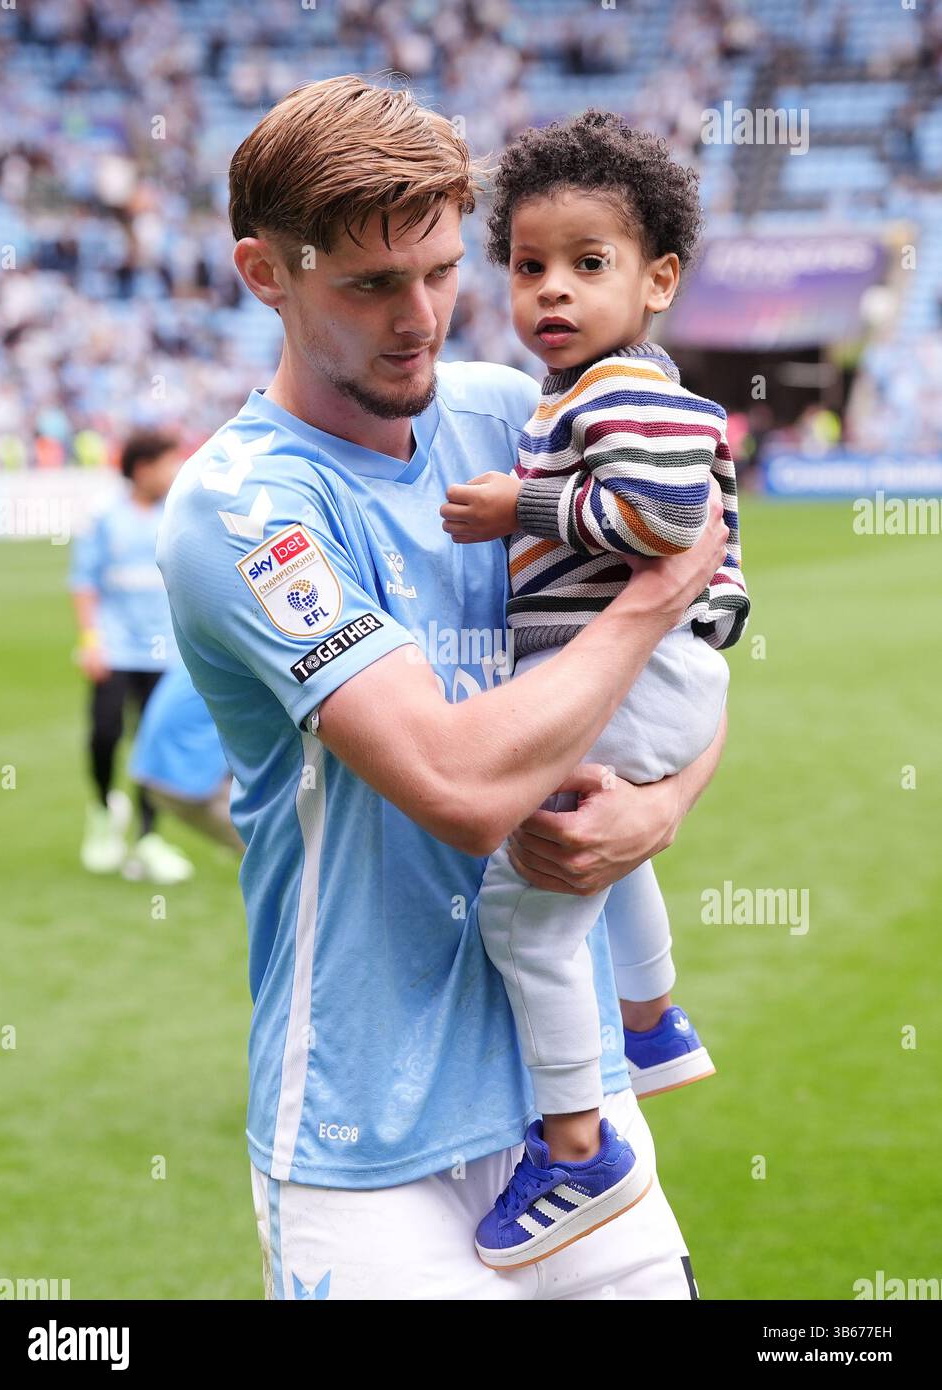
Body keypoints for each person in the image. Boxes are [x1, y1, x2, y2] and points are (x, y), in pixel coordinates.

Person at [156, 76, 729, 1300]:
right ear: (266, 273)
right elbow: (461, 787)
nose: (420, 318)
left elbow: (699, 624)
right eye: (369, 285)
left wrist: (664, 803)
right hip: (367, 1144)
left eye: (437, 270)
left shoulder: (507, 413)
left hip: (569, 1117)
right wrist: (650, 595)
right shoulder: (246, 509)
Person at [437, 111, 750, 1268]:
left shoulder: (622, 389)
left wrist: (507, 507)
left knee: (526, 910)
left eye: (587, 264)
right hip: (658, 674)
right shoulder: (600, 385)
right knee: (616, 839)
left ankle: (578, 1148)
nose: (550, 292)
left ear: (658, 279)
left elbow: (665, 522)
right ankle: (651, 1017)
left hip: (641, 667)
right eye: (527, 267)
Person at [69, 429, 195, 885]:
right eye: (167, 462)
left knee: (152, 743)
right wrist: (90, 641)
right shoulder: (105, 515)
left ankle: (146, 838)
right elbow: (84, 582)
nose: (175, 471)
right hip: (116, 647)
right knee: (105, 734)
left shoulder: (180, 513)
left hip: (166, 652)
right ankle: (104, 812)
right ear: (142, 468)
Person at [129, 663, 243, 854]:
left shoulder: (203, 643)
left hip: (157, 773)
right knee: (281, 855)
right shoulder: (249, 654)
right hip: (186, 781)